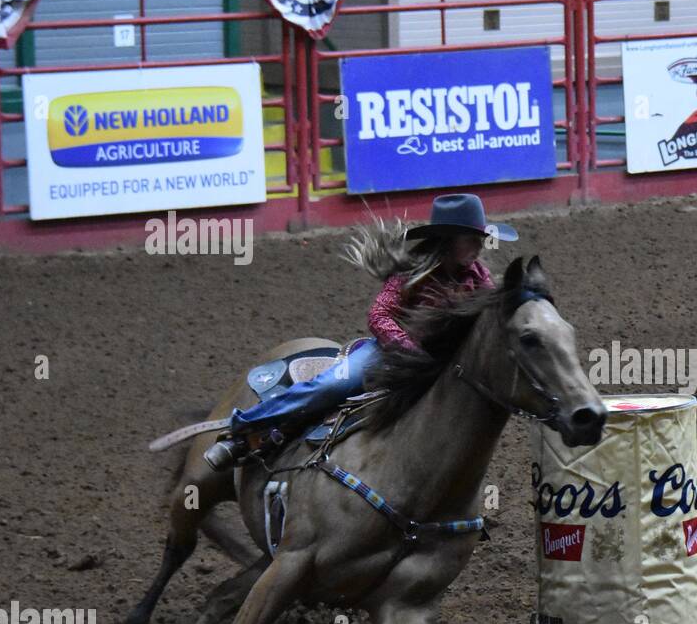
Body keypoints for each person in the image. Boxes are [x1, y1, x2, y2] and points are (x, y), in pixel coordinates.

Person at [203, 193, 516, 471]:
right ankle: (243, 429)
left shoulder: (478, 277)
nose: (479, 246)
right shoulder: (413, 273)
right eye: (471, 238)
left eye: (480, 238)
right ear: (450, 239)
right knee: (327, 387)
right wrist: (410, 351)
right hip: (391, 354)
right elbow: (379, 315)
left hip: (442, 363)